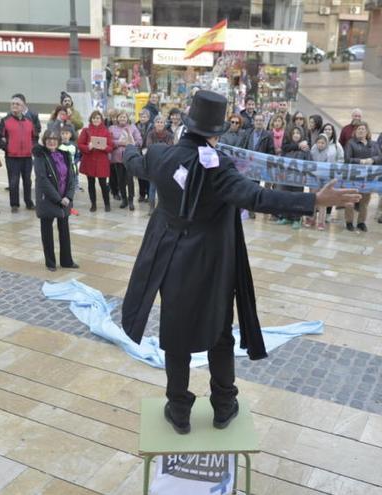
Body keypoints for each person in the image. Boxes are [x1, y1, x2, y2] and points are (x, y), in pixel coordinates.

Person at [120, 90, 360, 434]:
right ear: (217, 131)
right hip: (213, 266)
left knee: (175, 337)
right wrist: (314, 201)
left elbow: (135, 162)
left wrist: (129, 146)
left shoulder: (160, 154)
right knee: (219, 334)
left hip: (171, 262)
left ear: (187, 124)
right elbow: (258, 196)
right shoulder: (219, 167)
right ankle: (223, 406)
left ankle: (179, 410)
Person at [34, 131, 79, 272]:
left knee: (64, 231)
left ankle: (67, 261)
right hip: (48, 199)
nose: (51, 142)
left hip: (65, 199)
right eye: (48, 139)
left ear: (59, 140)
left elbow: (71, 177)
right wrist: (58, 199)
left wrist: (69, 197)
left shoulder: (65, 154)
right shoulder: (41, 156)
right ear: (44, 140)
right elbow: (43, 180)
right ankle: (50, 262)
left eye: (54, 139)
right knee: (47, 232)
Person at [0, 94, 38, 212]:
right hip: (12, 157)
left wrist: (33, 147)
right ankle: (14, 204)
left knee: (27, 181)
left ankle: (28, 202)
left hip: (27, 157)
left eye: (17, 104)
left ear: (23, 106)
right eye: (13, 104)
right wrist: (7, 147)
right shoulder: (5, 121)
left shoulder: (29, 121)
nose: (14, 106)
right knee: (13, 181)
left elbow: (34, 136)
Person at [343, 121, 382, 232]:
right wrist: (360, 161)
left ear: (367, 131)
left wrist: (372, 160)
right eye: (359, 129)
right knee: (350, 201)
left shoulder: (373, 144)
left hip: (368, 178)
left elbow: (380, 157)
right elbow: (347, 159)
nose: (361, 131)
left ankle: (361, 222)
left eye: (363, 129)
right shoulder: (350, 143)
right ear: (355, 131)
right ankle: (349, 222)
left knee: (364, 202)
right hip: (353, 178)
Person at [77, 110, 114, 212]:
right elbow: (80, 144)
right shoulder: (86, 130)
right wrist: (88, 147)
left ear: (101, 119)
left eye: (97, 118)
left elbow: (111, 147)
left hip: (101, 161)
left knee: (103, 183)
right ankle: (93, 204)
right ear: (91, 119)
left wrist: (104, 147)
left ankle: (107, 204)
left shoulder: (106, 131)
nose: (96, 120)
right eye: (94, 118)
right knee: (91, 183)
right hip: (90, 160)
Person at [278, 127, 312, 229]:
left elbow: (309, 163)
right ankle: (285, 217)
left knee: (297, 198)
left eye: (298, 133)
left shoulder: (305, 149)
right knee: (285, 197)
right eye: (294, 133)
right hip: (286, 177)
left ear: (301, 135)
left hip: (298, 179)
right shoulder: (287, 148)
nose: (296, 135)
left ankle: (297, 219)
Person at [109, 110, 143, 211]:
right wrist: (119, 143)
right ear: (117, 118)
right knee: (120, 180)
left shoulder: (132, 128)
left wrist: (130, 143)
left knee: (130, 179)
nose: (122, 119)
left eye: (124, 117)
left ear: (127, 118)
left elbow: (139, 141)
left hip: (130, 158)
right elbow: (109, 141)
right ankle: (124, 199)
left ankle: (131, 200)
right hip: (117, 158)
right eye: (120, 117)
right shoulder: (112, 128)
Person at [136, 109, 154, 203]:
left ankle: (148, 193)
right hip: (138, 152)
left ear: (148, 117)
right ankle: (141, 194)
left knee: (147, 174)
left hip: (148, 152)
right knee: (139, 174)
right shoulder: (136, 125)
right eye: (142, 116)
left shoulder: (152, 126)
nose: (143, 118)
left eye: (145, 116)